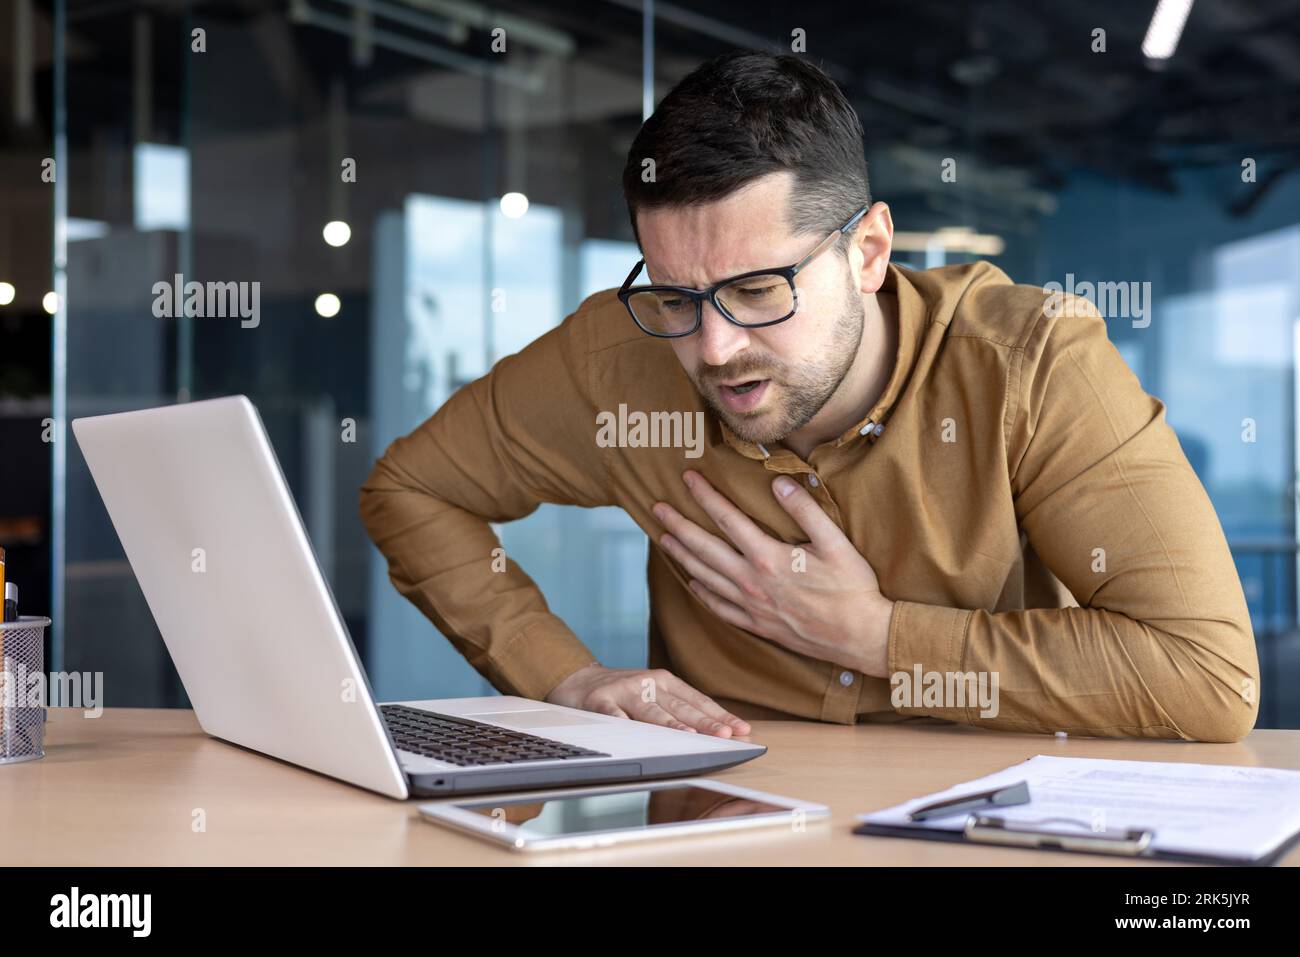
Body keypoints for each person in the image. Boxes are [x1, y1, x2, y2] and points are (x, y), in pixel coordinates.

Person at [360, 52, 1258, 742]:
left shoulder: (1031, 362)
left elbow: (1208, 676)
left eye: (758, 290)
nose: (713, 348)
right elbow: (410, 491)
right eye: (677, 295)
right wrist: (561, 677)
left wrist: (877, 638)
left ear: (867, 252)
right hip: (726, 825)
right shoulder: (619, 356)